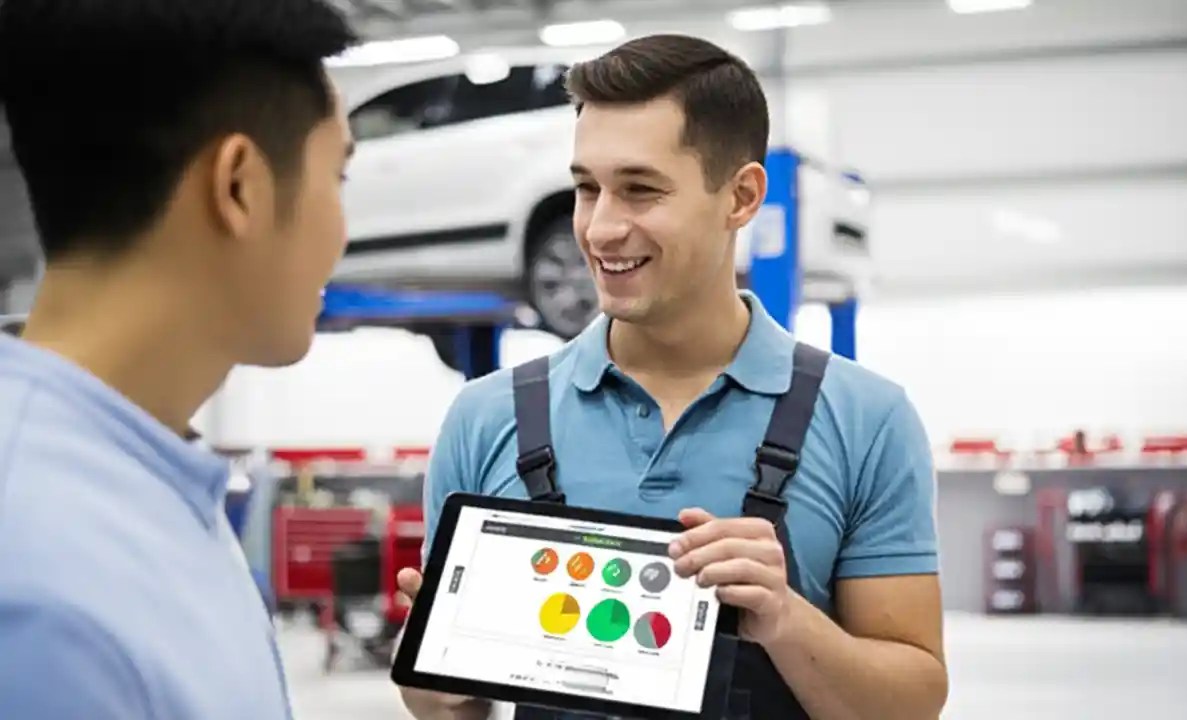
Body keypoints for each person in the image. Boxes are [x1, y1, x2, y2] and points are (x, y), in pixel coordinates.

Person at [397, 34, 948, 720]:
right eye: (586, 188)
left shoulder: (867, 420)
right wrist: (434, 683)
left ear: (741, 197)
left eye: (639, 190)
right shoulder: (485, 419)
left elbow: (913, 702)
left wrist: (784, 618)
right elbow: (449, 712)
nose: (600, 229)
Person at [0, 1, 357, 718]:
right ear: (239, 186)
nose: (344, 231)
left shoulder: (142, 479)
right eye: (338, 178)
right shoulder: (44, 601)